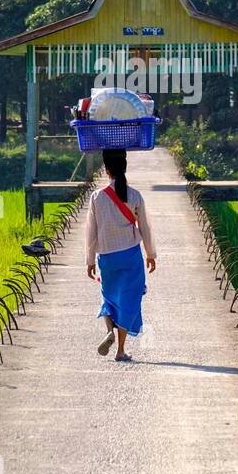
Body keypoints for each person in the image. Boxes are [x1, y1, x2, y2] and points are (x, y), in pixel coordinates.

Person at [85, 148, 156, 361]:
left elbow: (91, 232)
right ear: (124, 168)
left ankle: (109, 331)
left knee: (108, 296)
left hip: (107, 257)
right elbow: (145, 227)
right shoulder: (135, 196)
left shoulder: (97, 197)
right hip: (130, 256)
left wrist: (89, 260)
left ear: (106, 170)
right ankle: (120, 350)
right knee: (129, 300)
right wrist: (150, 254)